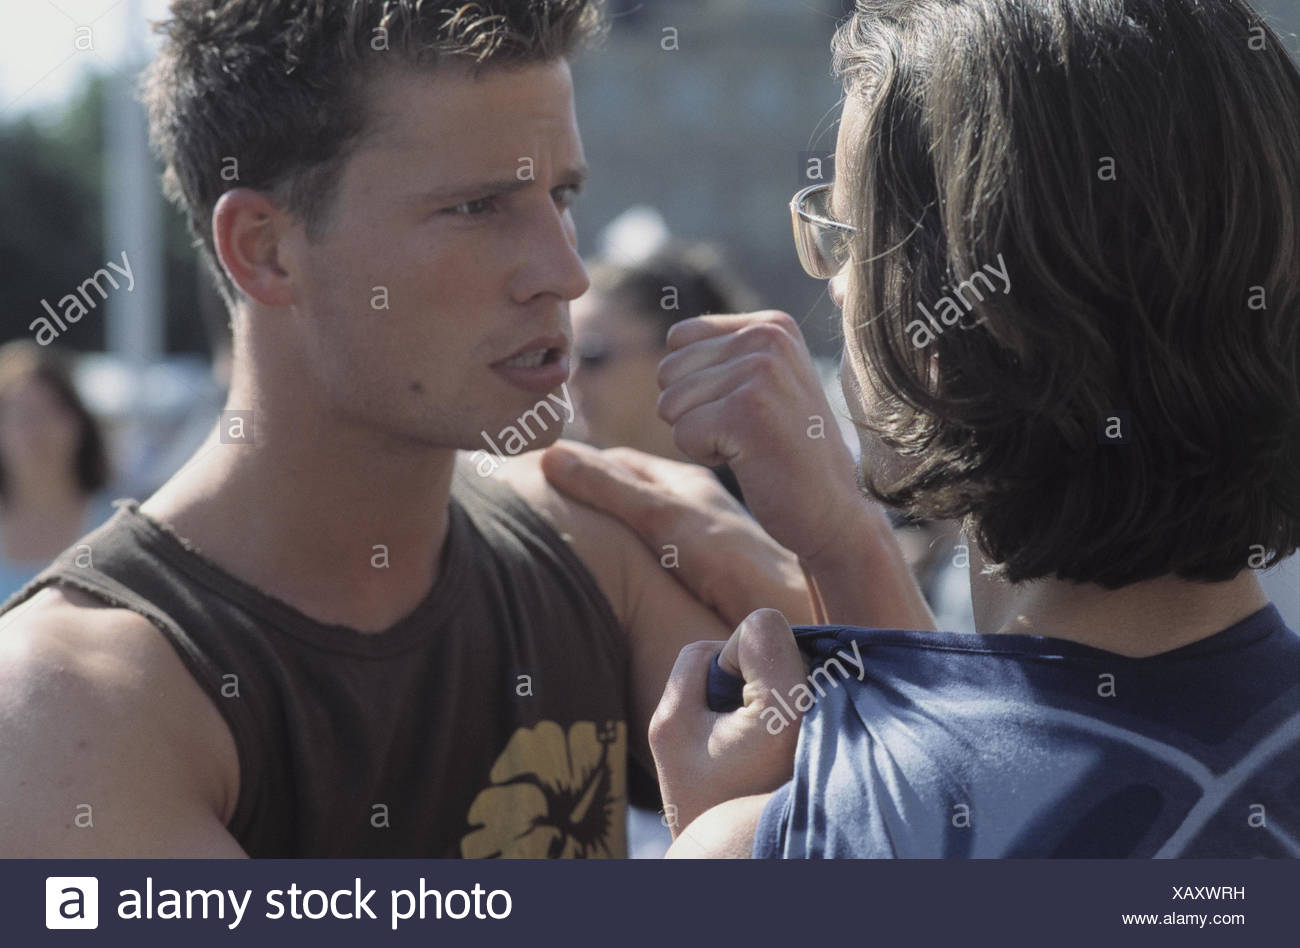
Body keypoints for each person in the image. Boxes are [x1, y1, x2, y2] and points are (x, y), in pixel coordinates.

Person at [0, 0, 873, 858]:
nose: (563, 271)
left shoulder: (599, 541)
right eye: (479, 208)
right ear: (265, 249)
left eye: (561, 194)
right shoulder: (68, 700)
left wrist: (845, 548)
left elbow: (957, 840)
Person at [542, 0, 1300, 857]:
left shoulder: (810, 839)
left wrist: (730, 834)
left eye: (845, 236)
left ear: (957, 323)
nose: (833, 284)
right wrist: (843, 543)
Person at [0, 342, 114, 599]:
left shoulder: (116, 525)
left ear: (79, 423)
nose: (36, 432)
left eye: (51, 411)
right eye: (21, 415)